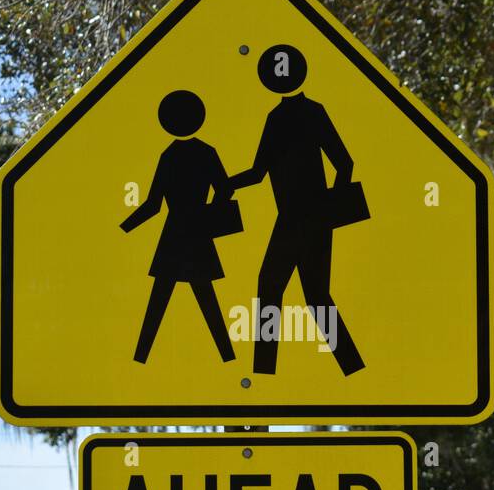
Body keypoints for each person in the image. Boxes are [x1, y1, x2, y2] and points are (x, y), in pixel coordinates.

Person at [228, 44, 365, 376]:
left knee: (270, 286)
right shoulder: (304, 113)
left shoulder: (281, 118)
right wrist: (329, 207)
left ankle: (263, 373)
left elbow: (259, 172)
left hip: (295, 218)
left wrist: (227, 184)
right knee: (315, 296)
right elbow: (343, 164)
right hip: (313, 217)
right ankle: (352, 366)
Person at [121, 90, 236, 364]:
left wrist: (126, 227)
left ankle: (141, 358)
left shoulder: (169, 155)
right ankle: (228, 358)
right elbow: (225, 190)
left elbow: (153, 204)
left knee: (163, 299)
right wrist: (207, 216)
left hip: (175, 235)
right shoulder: (205, 152)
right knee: (203, 298)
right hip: (196, 233)